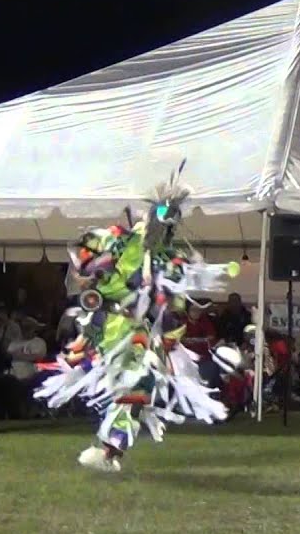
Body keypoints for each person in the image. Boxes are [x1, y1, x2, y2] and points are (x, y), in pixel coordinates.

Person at [32, 161, 247, 471]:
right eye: (162, 216)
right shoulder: (118, 240)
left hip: (140, 334)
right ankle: (109, 448)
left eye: (172, 221)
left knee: (140, 386)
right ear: (150, 216)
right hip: (110, 327)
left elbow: (173, 308)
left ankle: (110, 449)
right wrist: (98, 270)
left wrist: (171, 337)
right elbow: (83, 259)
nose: (166, 225)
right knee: (130, 383)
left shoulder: (169, 262)